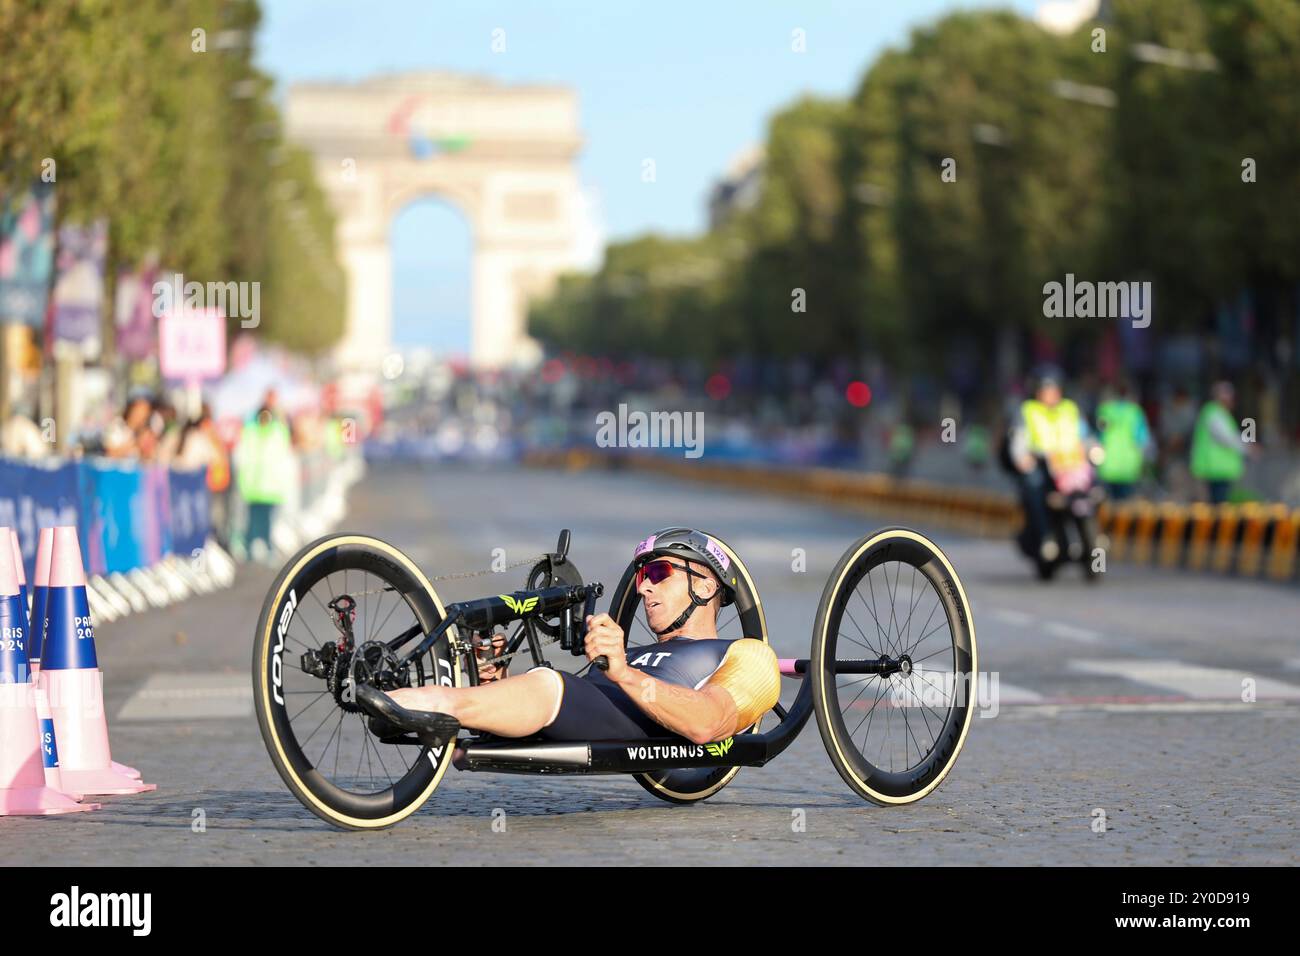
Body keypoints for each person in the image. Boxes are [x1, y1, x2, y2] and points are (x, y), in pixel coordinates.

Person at [356, 528, 781, 749]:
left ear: (706, 585)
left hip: (631, 722)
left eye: (657, 573)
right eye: (639, 577)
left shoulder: (747, 655)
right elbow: (578, 699)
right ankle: (411, 701)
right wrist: (497, 677)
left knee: (547, 682)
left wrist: (626, 674)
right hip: (582, 707)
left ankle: (403, 702)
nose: (644, 587)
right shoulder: (638, 652)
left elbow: (710, 722)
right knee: (536, 680)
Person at [1008, 365, 1093, 561]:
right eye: (1045, 390)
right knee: (1033, 485)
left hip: (1072, 468)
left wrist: (1093, 448)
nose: (1049, 394)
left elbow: (1085, 435)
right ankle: (1047, 536)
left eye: (1052, 389)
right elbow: (1019, 440)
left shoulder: (1070, 409)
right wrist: (1022, 457)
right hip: (1043, 467)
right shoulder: (1028, 410)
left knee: (1096, 487)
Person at [235, 391, 293, 561]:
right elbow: (243, 455)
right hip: (253, 486)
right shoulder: (250, 431)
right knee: (252, 520)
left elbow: (285, 446)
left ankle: (267, 548)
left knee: (268, 521)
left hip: (270, 486)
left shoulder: (278, 431)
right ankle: (248, 548)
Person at [1094, 379, 1152, 501]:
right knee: (1125, 507)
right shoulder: (1136, 412)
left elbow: (1099, 435)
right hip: (1129, 466)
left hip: (1108, 465)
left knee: (1109, 505)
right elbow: (1143, 439)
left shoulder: (1105, 410)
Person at [1190, 381, 1245, 505]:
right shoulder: (1214, 413)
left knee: (1217, 506)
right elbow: (1226, 438)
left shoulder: (1220, 413)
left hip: (1218, 469)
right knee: (1219, 507)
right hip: (1216, 469)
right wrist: (1248, 448)